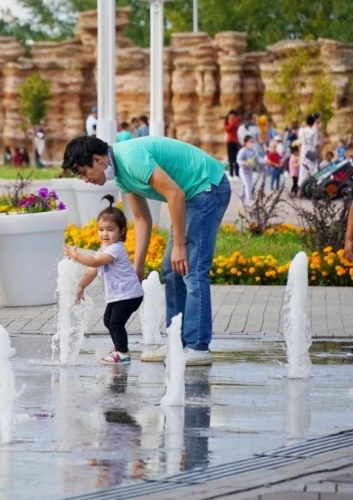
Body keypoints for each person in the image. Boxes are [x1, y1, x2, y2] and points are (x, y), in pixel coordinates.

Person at [62, 135, 231, 366]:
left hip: (208, 186)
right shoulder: (121, 175)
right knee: (170, 270)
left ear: (97, 160)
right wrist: (137, 267)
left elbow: (175, 194)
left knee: (191, 267)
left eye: (83, 172)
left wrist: (179, 245)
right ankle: (177, 342)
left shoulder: (132, 159)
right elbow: (142, 219)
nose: (85, 179)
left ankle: (197, 346)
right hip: (192, 194)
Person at [64, 195, 143, 364]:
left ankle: (122, 353)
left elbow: (95, 261)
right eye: (101, 229)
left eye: (110, 229)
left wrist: (75, 255)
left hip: (129, 295)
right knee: (109, 320)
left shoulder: (115, 249)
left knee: (115, 322)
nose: (104, 234)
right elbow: (93, 269)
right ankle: (119, 348)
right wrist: (81, 286)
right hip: (120, 295)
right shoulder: (105, 247)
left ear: (121, 231)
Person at [236, 135, 261, 206]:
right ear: (245, 142)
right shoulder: (243, 151)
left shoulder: (253, 151)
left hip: (250, 171)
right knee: (248, 185)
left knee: (245, 185)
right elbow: (238, 160)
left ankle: (241, 199)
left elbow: (258, 159)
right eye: (251, 142)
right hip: (243, 171)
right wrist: (244, 163)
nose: (252, 143)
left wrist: (266, 160)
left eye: (253, 142)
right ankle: (249, 200)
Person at [223, 110, 241, 177]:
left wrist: (225, 122)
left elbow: (227, 129)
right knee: (234, 158)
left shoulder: (234, 121)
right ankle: (235, 173)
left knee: (232, 158)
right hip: (235, 141)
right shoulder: (236, 121)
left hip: (231, 141)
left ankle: (233, 173)